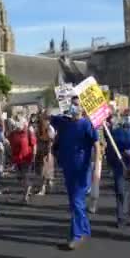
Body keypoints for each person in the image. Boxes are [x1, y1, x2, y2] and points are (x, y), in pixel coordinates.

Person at [51, 97, 101, 250]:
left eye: (77, 105)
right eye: (72, 104)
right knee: (74, 201)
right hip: (68, 168)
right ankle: (85, 229)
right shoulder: (64, 122)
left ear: (83, 108)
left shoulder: (87, 124)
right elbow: (46, 116)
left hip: (81, 169)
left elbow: (97, 145)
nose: (74, 107)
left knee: (76, 202)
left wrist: (97, 163)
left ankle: (77, 235)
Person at [106, 111, 130, 228]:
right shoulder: (116, 132)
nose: (128, 117)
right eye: (126, 115)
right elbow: (110, 149)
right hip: (120, 167)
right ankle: (121, 217)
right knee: (120, 192)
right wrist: (112, 163)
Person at [7, 115, 37, 203]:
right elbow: (9, 143)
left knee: (25, 176)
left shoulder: (28, 132)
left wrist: (34, 156)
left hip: (26, 157)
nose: (17, 128)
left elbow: (34, 144)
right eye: (16, 126)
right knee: (20, 178)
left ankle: (25, 195)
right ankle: (27, 188)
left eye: (19, 126)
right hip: (17, 159)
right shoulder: (13, 133)